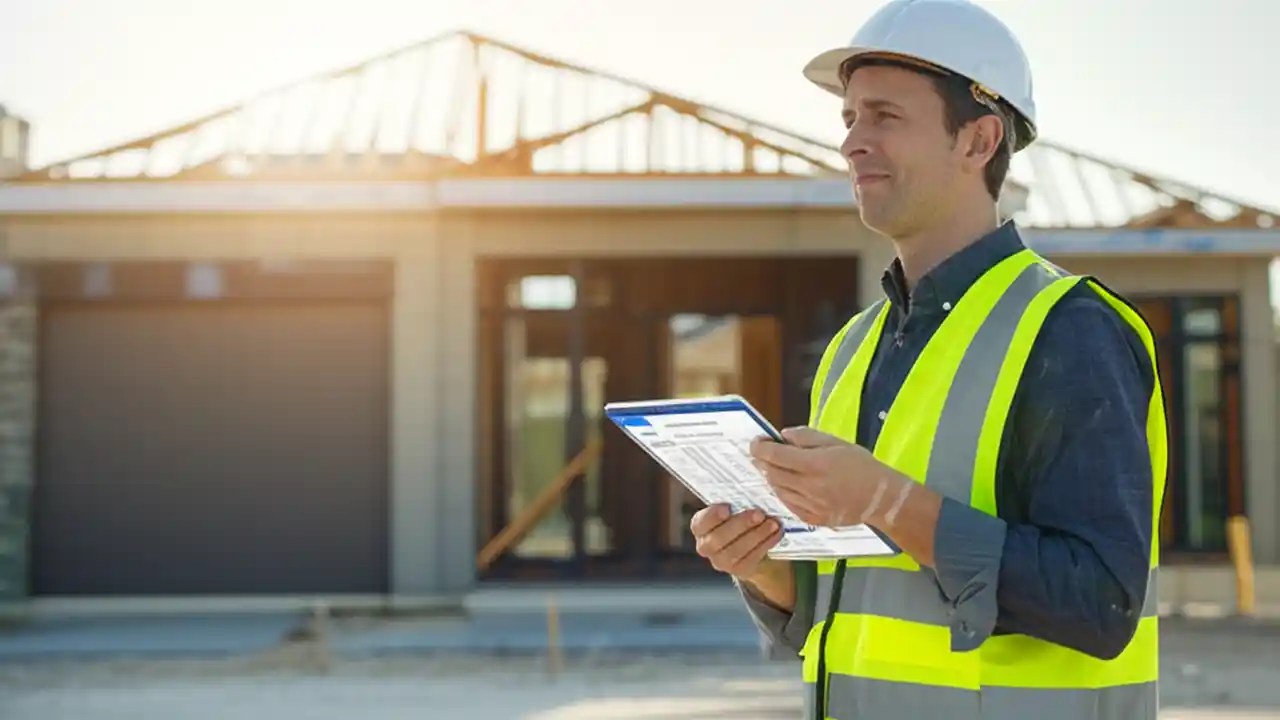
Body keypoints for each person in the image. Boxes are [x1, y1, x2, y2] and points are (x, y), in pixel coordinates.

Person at [688, 1, 1167, 718]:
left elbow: (1098, 600)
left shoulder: (1070, 331)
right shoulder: (853, 348)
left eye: (884, 116)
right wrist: (761, 567)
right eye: (849, 118)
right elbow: (848, 611)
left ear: (978, 141)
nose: (853, 142)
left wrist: (886, 501)